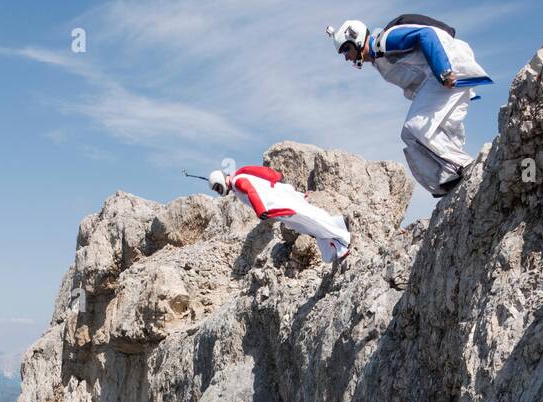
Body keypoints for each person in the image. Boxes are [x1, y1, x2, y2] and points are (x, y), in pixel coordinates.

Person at [327, 14, 492, 196]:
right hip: (442, 80)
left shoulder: (385, 41)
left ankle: (463, 165)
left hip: (446, 71)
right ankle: (447, 181)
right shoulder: (379, 58)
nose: (346, 58)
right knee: (426, 133)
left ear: (356, 40)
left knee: (414, 128)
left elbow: (427, 34)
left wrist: (443, 70)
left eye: (345, 50)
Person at [207, 164, 352, 263]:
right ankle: (336, 230)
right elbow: (263, 173)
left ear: (221, 180)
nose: (219, 192)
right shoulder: (239, 175)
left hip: (278, 204)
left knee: (309, 220)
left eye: (218, 188)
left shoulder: (238, 181)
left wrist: (260, 210)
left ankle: (340, 239)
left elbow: (251, 190)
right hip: (279, 201)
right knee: (307, 222)